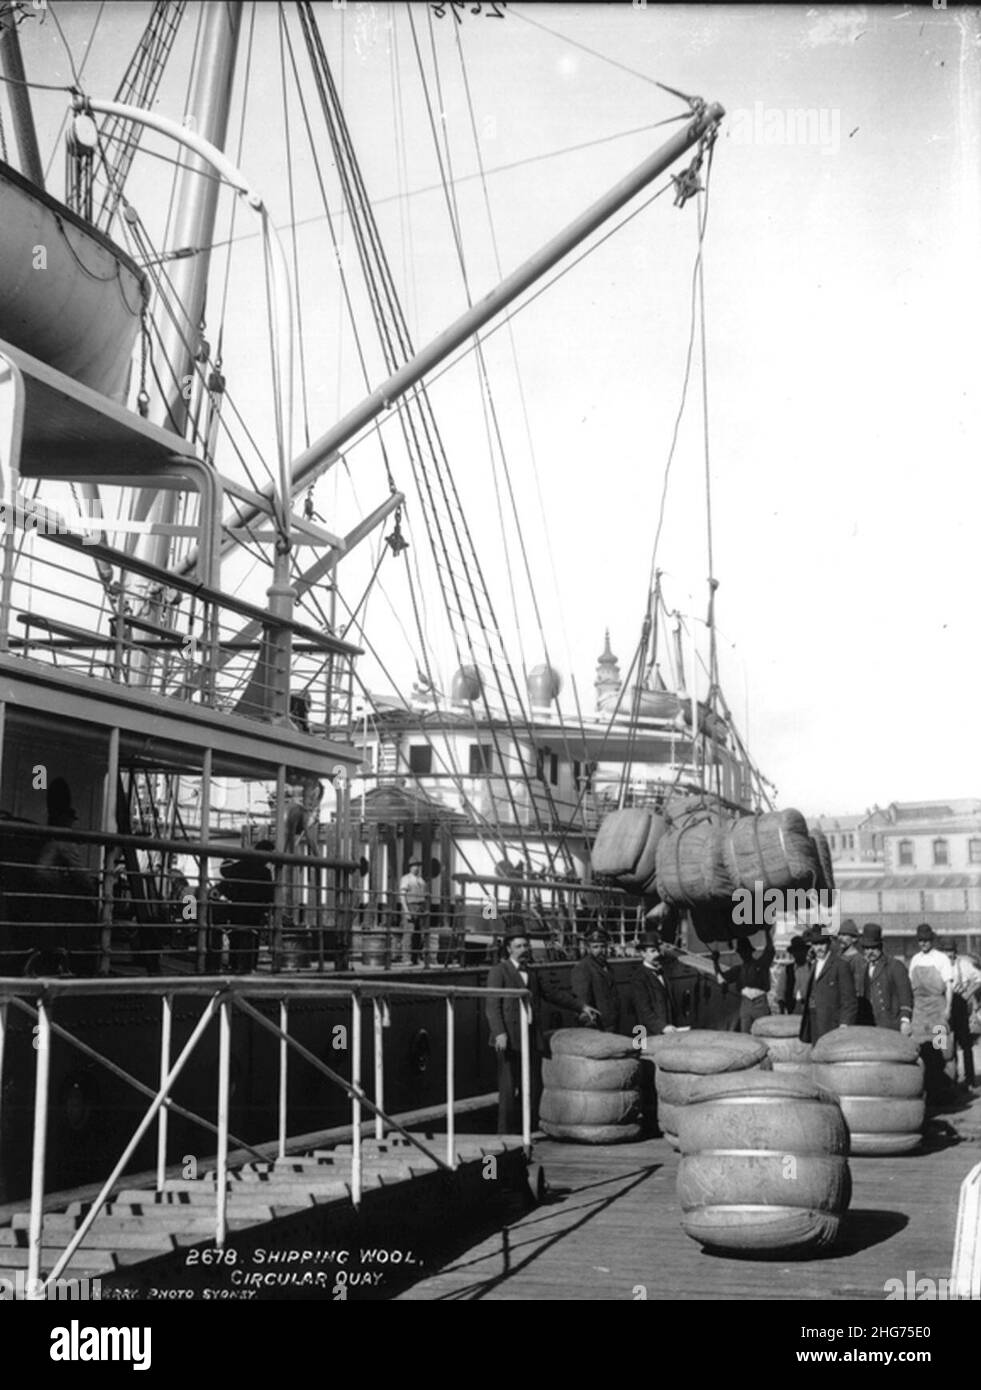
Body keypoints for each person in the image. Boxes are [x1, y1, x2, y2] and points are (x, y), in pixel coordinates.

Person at [485, 929, 596, 1133]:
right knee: (508, 1089)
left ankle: (529, 1129)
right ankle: (505, 1135)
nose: (524, 950)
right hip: (509, 1038)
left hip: (530, 1036)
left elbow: (553, 995)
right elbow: (492, 1005)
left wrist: (581, 1006)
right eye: (518, 946)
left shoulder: (533, 973)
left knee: (533, 1086)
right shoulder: (499, 971)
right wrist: (500, 1032)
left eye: (526, 946)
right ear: (508, 949)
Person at [909, 923, 955, 1103]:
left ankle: (943, 1093)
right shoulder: (915, 960)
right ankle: (926, 1092)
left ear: (932, 940)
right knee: (921, 1051)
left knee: (941, 1051)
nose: (924, 944)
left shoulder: (941, 958)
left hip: (938, 1010)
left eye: (927, 940)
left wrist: (948, 1008)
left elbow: (949, 986)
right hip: (919, 1012)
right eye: (920, 940)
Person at [216, 842, 274, 973]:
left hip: (236, 909)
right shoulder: (265, 872)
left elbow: (223, 887)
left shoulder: (237, 867)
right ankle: (249, 967)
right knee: (251, 938)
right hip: (254, 911)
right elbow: (269, 895)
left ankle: (234, 965)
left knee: (235, 937)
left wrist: (234, 898)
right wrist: (264, 907)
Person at [799, 925, 857, 1044]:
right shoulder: (814, 965)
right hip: (814, 1021)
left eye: (821, 944)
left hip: (831, 1025)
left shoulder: (841, 965)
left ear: (829, 943)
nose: (818, 948)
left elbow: (849, 1000)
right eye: (815, 944)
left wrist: (845, 1024)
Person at [941, 937, 981, 1090]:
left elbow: (979, 978)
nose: (949, 954)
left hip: (960, 1007)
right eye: (946, 951)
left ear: (955, 951)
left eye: (951, 951)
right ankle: (947, 1078)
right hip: (942, 1007)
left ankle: (969, 1079)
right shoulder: (938, 964)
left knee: (965, 1043)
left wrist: (968, 993)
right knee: (943, 1043)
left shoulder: (964, 964)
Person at [859, 923, 912, 1033]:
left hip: (892, 1024)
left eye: (874, 947)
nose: (870, 952)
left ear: (880, 946)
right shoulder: (864, 968)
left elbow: (906, 996)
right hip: (872, 1025)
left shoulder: (895, 965)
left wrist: (905, 1020)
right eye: (867, 948)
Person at [629, 929, 677, 1039]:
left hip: (669, 1031)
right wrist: (662, 1027)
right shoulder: (639, 978)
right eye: (653, 951)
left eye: (659, 950)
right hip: (650, 1034)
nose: (658, 954)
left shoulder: (663, 973)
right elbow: (644, 1011)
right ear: (643, 953)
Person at [571, 928, 622, 1032]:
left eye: (603, 946)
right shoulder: (583, 968)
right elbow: (582, 1002)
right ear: (588, 948)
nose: (601, 950)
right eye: (595, 947)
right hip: (598, 1027)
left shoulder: (606, 966)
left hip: (612, 1024)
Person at [724, 931, 775, 1033]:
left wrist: (767, 933)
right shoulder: (738, 969)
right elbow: (722, 978)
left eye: (745, 951)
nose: (743, 954)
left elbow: (770, 950)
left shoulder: (761, 964)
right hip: (745, 1003)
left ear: (750, 951)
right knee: (745, 1036)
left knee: (763, 1033)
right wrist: (715, 962)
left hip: (760, 1003)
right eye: (741, 952)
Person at [398, 858, 428, 965]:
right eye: (414, 865)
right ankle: (406, 958)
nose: (416, 867)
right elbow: (402, 896)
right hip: (410, 906)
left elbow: (425, 895)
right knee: (408, 932)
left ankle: (415, 957)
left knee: (419, 934)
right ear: (410, 867)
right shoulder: (406, 879)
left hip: (420, 907)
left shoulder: (421, 880)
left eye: (417, 865)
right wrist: (406, 911)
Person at [835, 920, 868, 1005]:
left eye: (845, 935)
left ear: (854, 938)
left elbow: (858, 989)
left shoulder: (858, 960)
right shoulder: (838, 955)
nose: (840, 938)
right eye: (840, 934)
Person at [781, 934, 812, 1016]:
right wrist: (782, 1012)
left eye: (801, 950)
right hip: (792, 1008)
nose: (799, 954)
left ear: (805, 952)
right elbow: (780, 991)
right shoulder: (787, 970)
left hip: (809, 1008)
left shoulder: (812, 968)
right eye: (796, 951)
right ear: (793, 953)